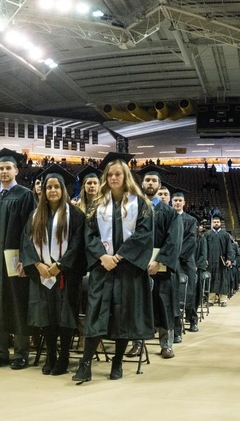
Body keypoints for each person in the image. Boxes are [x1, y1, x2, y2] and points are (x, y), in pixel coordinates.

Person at [73, 152, 155, 383]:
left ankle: (117, 362)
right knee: (95, 315)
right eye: (110, 175)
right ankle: (85, 363)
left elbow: (144, 235)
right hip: (103, 268)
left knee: (123, 316)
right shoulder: (98, 204)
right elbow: (89, 235)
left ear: (126, 176)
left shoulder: (140, 204)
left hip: (128, 269)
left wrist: (120, 256)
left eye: (118, 174)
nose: (113, 178)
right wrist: (102, 256)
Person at [20, 164, 86, 376]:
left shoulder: (75, 215)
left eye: (57, 186)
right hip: (43, 275)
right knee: (47, 318)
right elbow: (26, 242)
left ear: (63, 189)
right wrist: (38, 265)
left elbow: (78, 244)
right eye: (49, 187)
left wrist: (60, 265)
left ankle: (64, 358)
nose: (53, 190)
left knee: (65, 318)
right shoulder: (35, 215)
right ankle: (50, 356)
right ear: (43, 190)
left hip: (67, 275)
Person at [0, 149, 37, 370]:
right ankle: (0, 351)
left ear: (16, 170)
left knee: (17, 304)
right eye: (1, 168)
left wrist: (26, 259)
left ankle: (21, 353)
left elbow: (30, 231)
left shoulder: (25, 195)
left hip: (15, 261)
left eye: (8, 168)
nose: (4, 171)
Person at [132, 166, 181, 359]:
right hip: (138, 267)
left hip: (161, 269)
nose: (150, 183)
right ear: (142, 184)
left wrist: (158, 262)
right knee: (138, 305)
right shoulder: (134, 208)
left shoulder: (169, 212)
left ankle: (166, 345)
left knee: (163, 305)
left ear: (159, 185)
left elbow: (173, 241)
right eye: (147, 180)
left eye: (154, 180)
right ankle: (137, 343)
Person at [171, 188, 201, 333]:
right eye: (175, 200)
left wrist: (177, 255)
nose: (177, 203)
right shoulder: (167, 217)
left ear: (184, 203)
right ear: (172, 202)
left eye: (179, 201)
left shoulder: (191, 220)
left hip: (186, 260)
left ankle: (192, 320)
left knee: (190, 291)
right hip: (170, 260)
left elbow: (191, 241)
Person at [204, 215, 235, 306]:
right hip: (210, 261)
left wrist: (230, 259)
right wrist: (204, 258)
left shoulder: (225, 235)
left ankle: (223, 300)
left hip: (222, 261)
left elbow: (229, 248)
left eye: (217, 222)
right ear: (212, 223)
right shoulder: (207, 234)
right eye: (214, 222)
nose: (216, 223)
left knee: (223, 280)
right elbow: (204, 248)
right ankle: (210, 300)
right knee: (211, 279)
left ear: (220, 223)